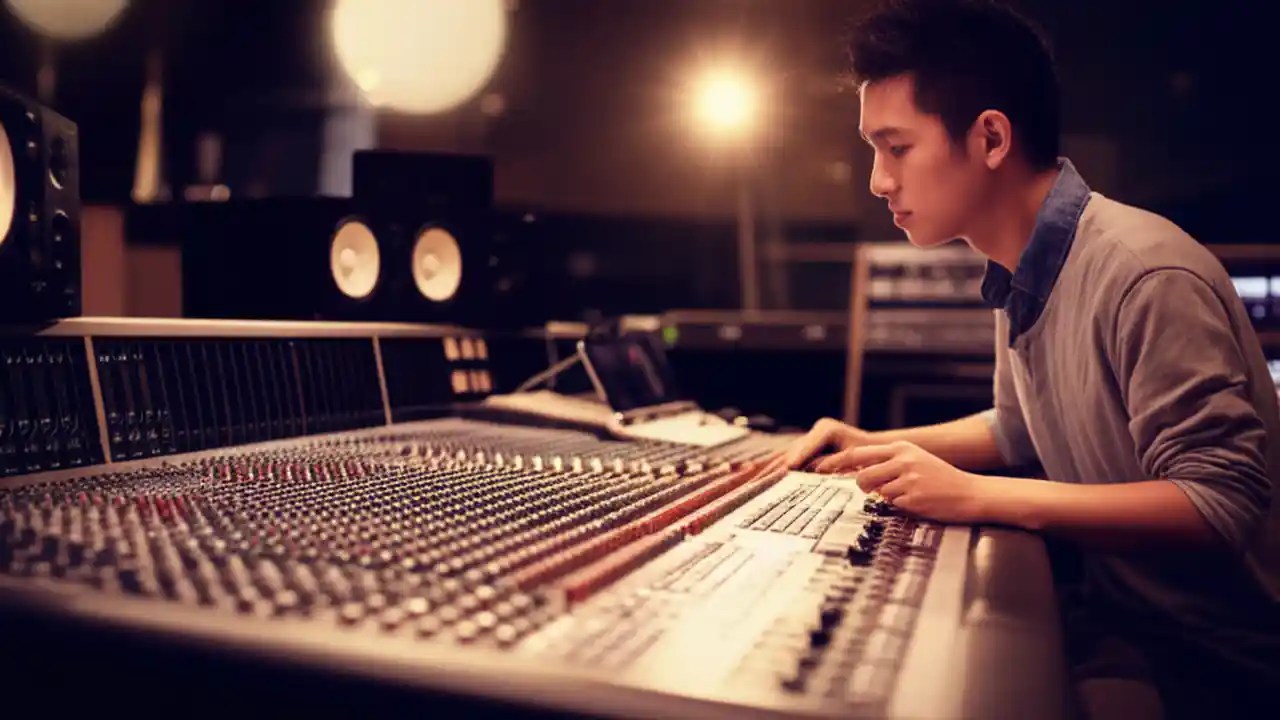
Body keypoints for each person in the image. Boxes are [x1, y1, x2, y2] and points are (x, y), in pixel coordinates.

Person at [761, 1, 1280, 716]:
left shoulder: (1147, 273)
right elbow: (1021, 429)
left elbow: (1217, 503)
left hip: (1223, 667)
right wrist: (877, 446)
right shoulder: (1022, 268)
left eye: (897, 148)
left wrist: (977, 496)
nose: (879, 181)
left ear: (992, 138)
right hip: (1133, 629)